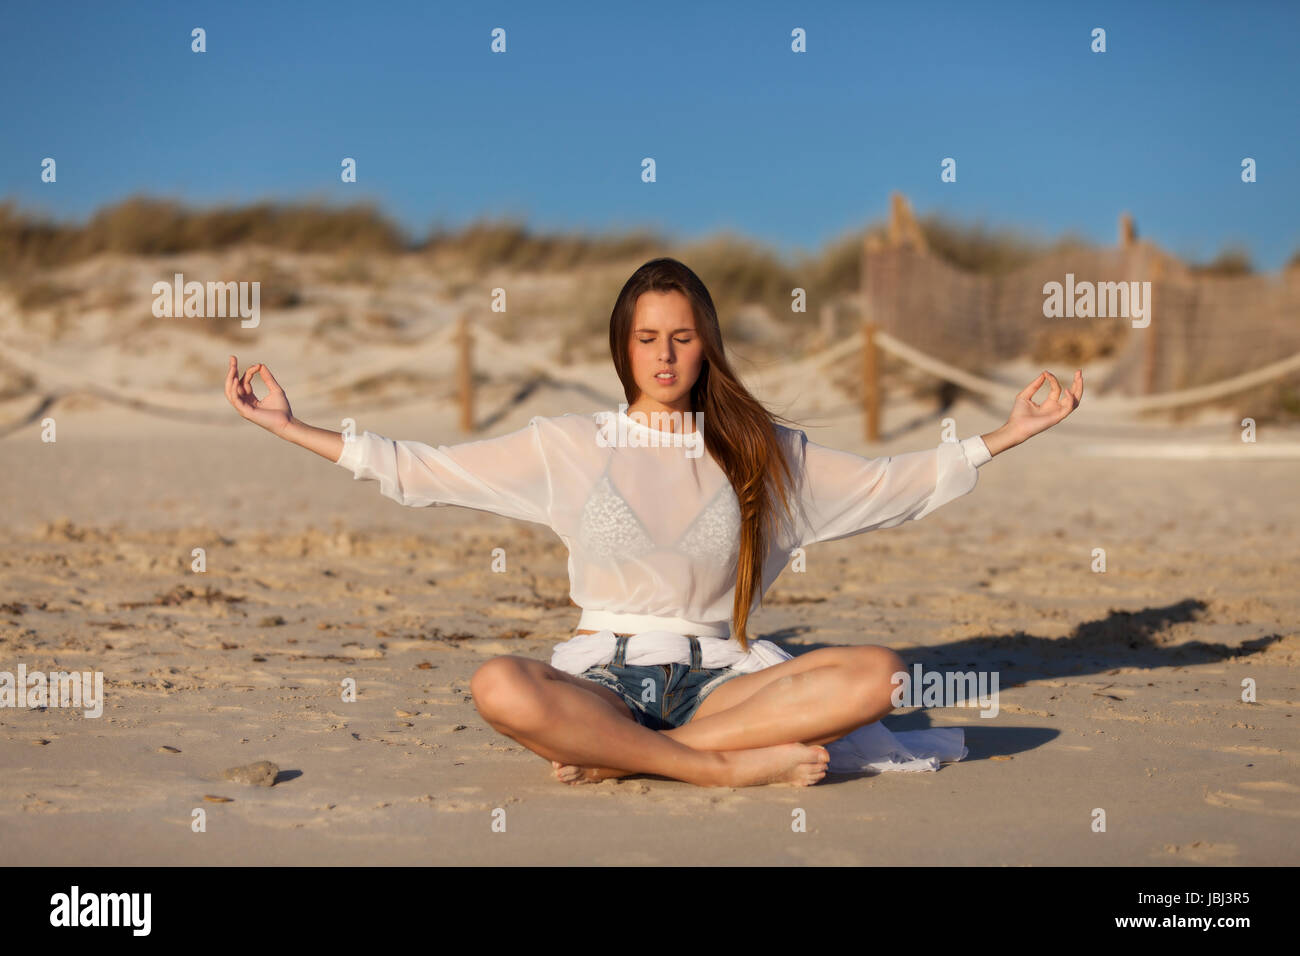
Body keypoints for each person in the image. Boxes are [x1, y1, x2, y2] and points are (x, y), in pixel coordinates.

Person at [225, 257, 1082, 788]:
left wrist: (1007, 435)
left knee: (882, 677)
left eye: (681, 337)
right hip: (603, 677)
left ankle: (631, 756)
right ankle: (709, 768)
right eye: (647, 339)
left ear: (706, 343)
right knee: (499, 683)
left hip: (726, 681)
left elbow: (894, 484)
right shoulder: (568, 444)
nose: (665, 356)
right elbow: (422, 469)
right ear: (622, 348)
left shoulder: (763, 452)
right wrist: (290, 426)